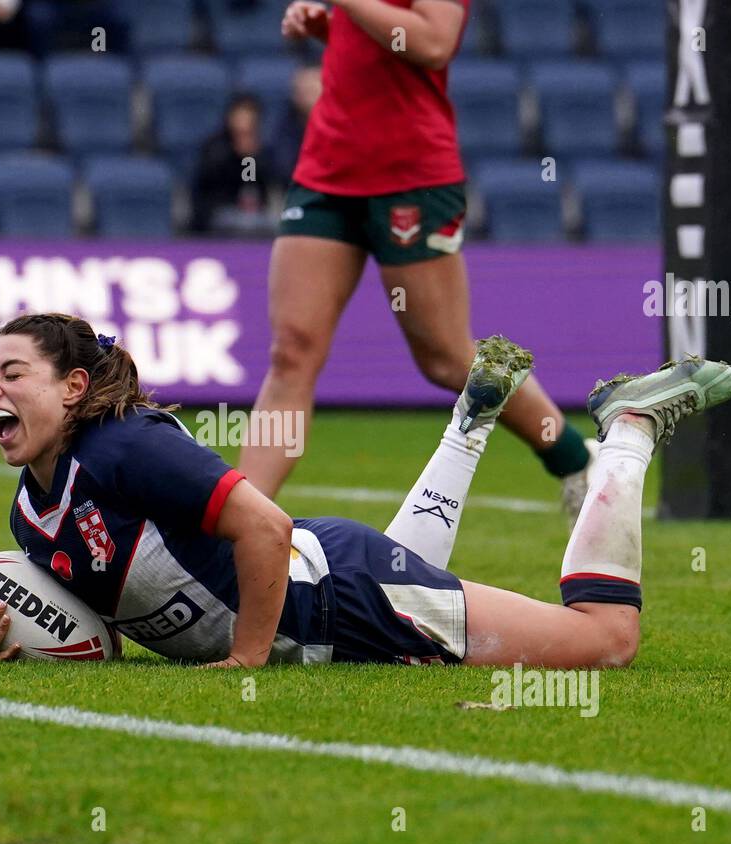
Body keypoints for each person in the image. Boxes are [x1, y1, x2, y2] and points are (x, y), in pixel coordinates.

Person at [0, 312, 731, 669]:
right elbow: (106, 629)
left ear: (73, 388)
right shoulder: (30, 514)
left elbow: (262, 526)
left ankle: (629, 432)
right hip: (336, 580)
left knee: (605, 641)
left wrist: (246, 659)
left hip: (344, 596)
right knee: (413, 570)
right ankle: (467, 428)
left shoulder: (127, 446)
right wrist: (11, 635)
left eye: (12, 372)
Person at [242, 0, 597, 522]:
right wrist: (330, 27)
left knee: (447, 359)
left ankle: (572, 456)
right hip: (327, 172)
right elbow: (381, 41)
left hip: (412, 176)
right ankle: (243, 520)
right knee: (291, 352)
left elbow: (431, 43)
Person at [190, 94, 283, 235]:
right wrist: (236, 156)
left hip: (253, 213)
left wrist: (250, 158)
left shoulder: (260, 150)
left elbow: (252, 183)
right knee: (238, 222)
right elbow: (210, 182)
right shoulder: (215, 147)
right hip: (219, 210)